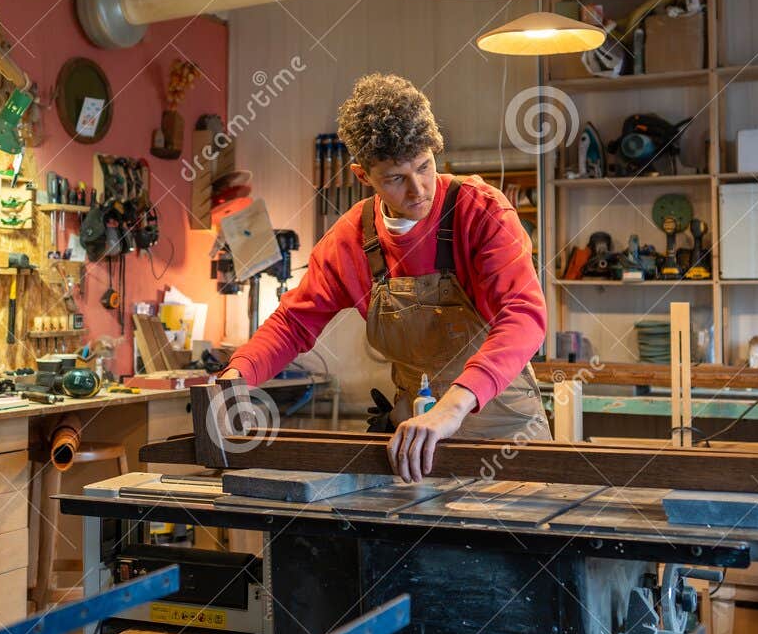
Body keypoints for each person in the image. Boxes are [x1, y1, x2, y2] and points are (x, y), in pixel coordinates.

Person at [222, 73, 548, 481]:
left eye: (424, 167)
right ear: (363, 176)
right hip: (416, 441)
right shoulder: (351, 238)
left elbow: (523, 317)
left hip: (507, 435)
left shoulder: (480, 211)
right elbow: (293, 323)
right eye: (395, 178)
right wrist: (236, 377)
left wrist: (452, 408)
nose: (418, 190)